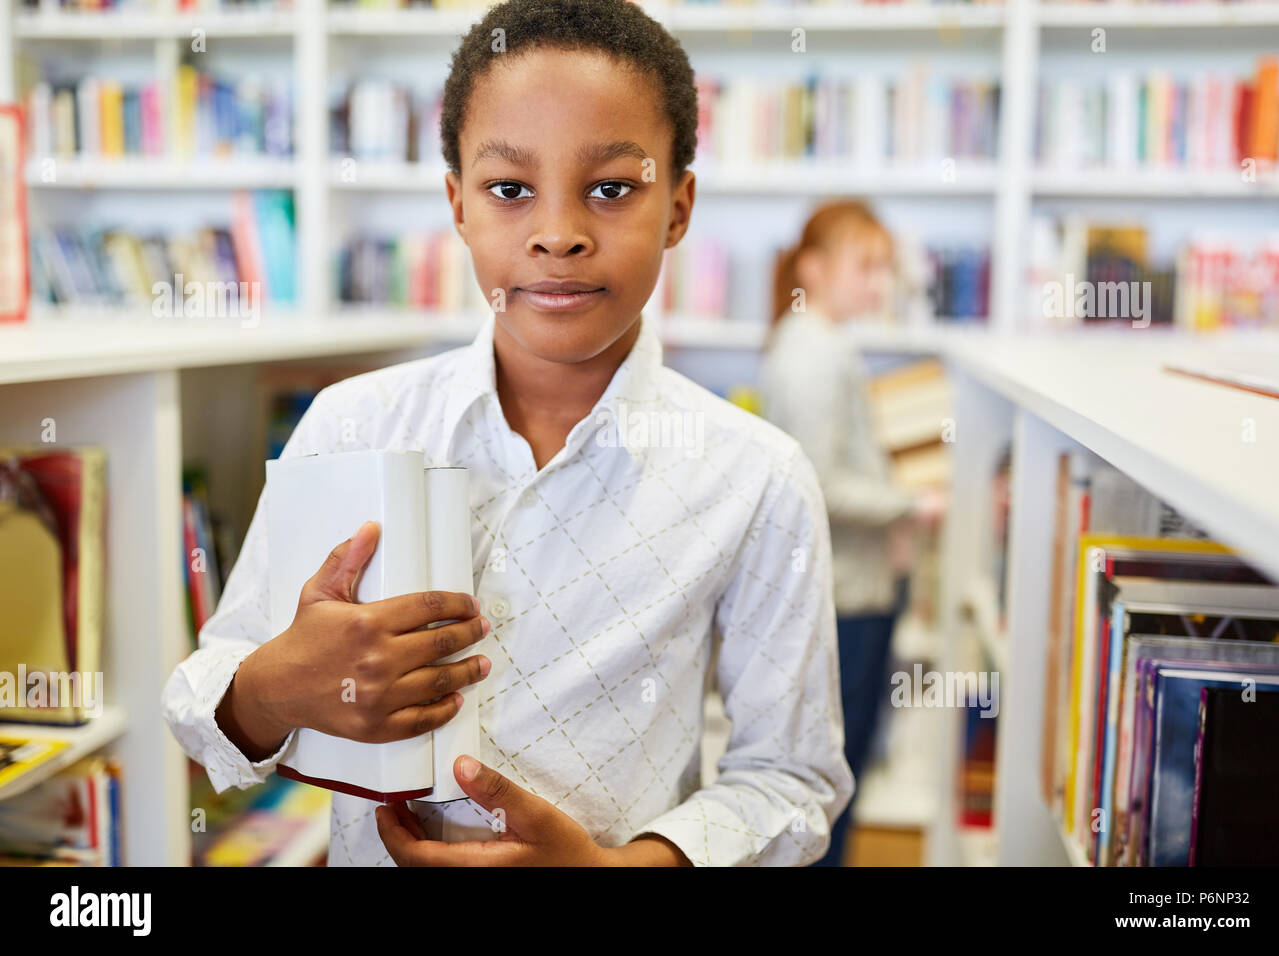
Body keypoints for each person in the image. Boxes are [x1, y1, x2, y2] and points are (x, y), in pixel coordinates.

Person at [161, 0, 854, 867]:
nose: (558, 234)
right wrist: (277, 686)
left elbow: (791, 780)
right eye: (509, 190)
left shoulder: (757, 476)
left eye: (611, 188)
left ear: (678, 207)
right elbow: (202, 701)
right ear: (457, 203)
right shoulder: (351, 424)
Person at [759, 200, 917, 867]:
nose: (878, 283)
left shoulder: (818, 344)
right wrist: (910, 502)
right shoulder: (815, 353)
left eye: (886, 268)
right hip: (845, 596)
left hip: (851, 589)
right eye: (865, 265)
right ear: (814, 268)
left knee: (838, 766)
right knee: (835, 774)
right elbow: (818, 479)